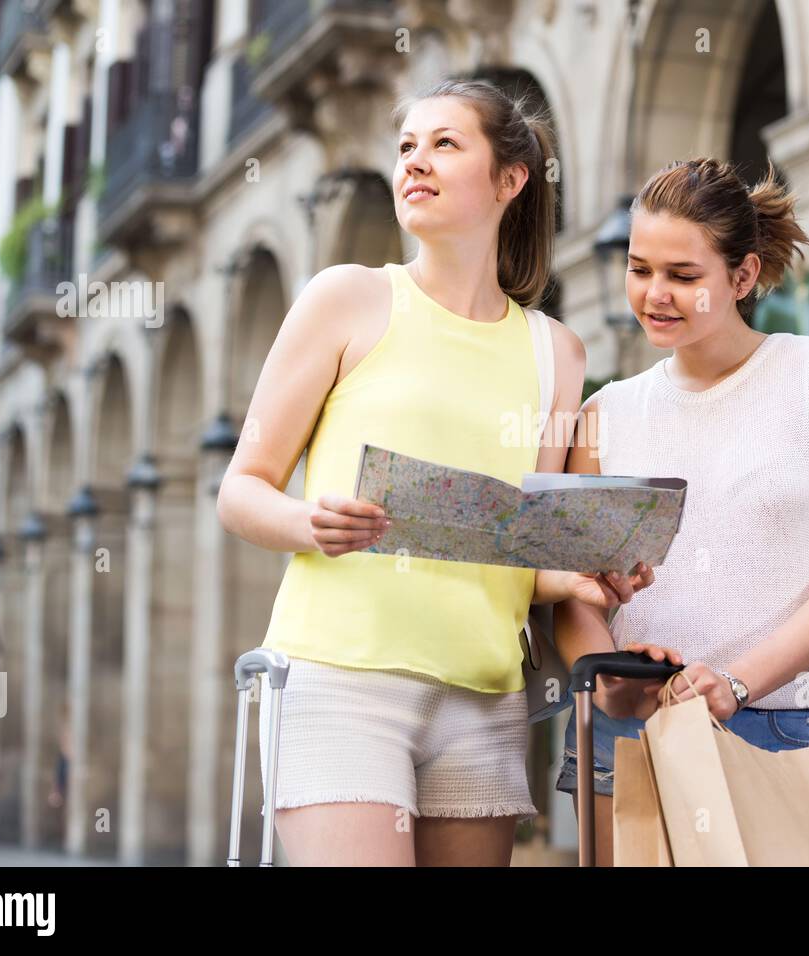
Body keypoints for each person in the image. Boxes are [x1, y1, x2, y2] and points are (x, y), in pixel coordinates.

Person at [216, 78, 654, 866]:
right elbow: (240, 489)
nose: (414, 163)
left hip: (483, 701)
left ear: (510, 181)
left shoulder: (556, 353)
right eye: (406, 147)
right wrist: (307, 522)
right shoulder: (346, 299)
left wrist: (580, 577)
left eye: (444, 144)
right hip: (340, 683)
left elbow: (513, 546)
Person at [553, 158, 809, 865]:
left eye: (683, 275)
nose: (654, 294)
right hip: (633, 733)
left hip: (789, 727)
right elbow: (569, 596)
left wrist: (735, 684)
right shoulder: (603, 414)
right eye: (639, 269)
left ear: (742, 277)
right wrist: (608, 677)